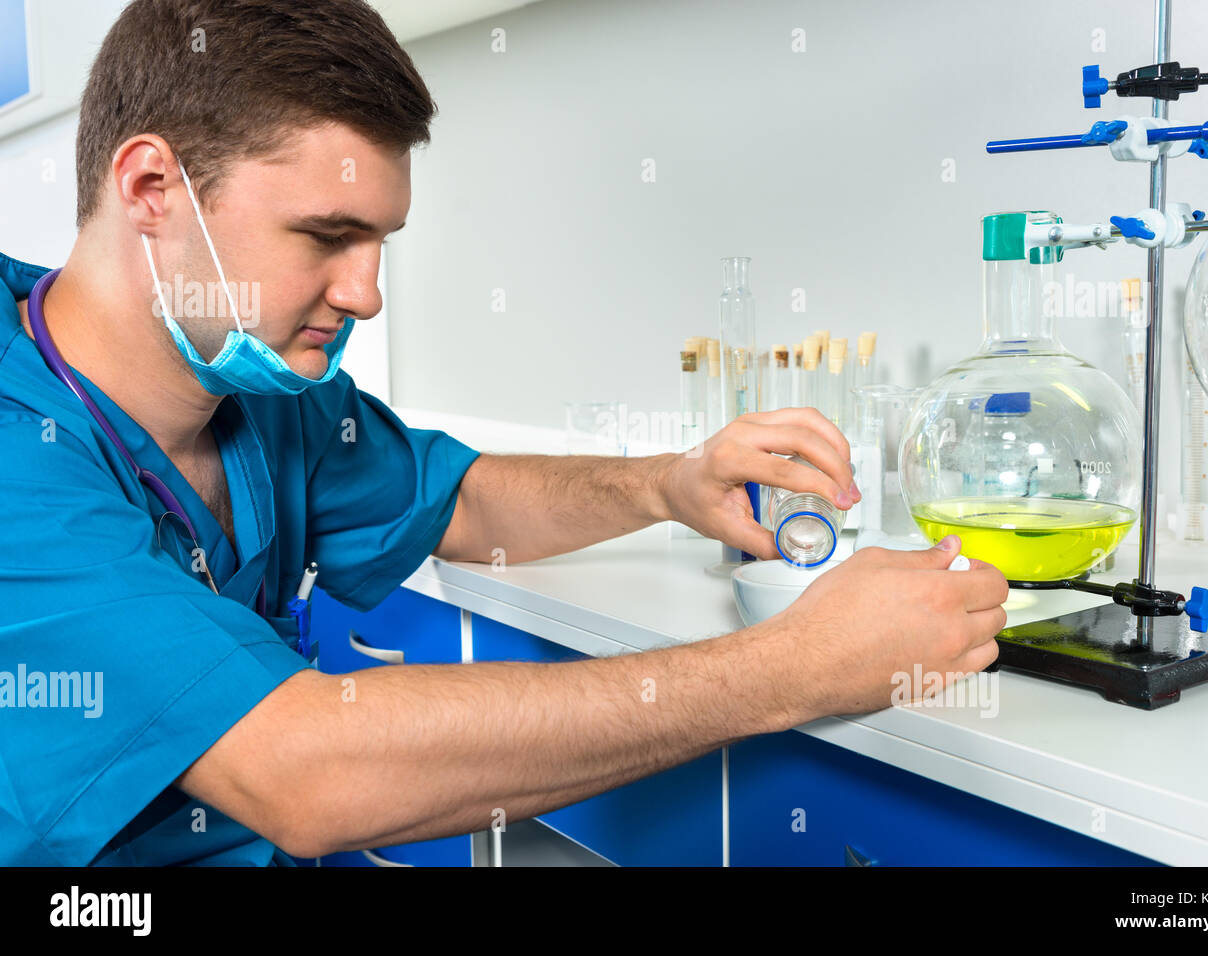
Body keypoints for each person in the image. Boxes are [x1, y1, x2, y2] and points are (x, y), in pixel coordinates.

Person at [0, 0, 1006, 865]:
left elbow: (459, 498)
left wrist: (667, 480)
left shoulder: (263, 393)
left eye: (380, 242)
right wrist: (793, 667)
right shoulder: (20, 458)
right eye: (324, 235)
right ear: (148, 191)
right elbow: (300, 769)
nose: (366, 294)